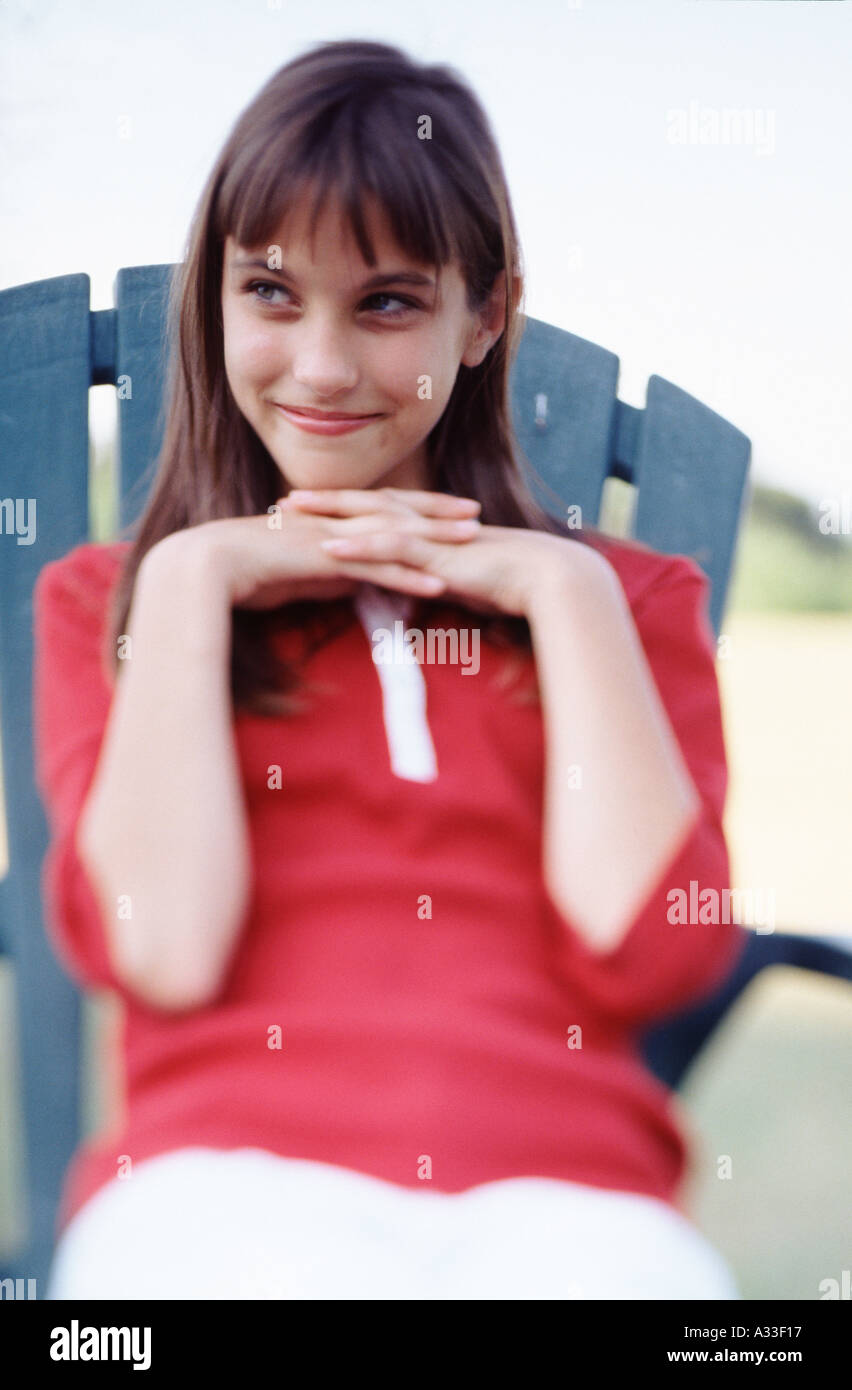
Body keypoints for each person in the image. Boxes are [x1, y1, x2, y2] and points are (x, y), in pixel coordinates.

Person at [34, 39, 744, 1300]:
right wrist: (197, 580)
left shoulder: (632, 604)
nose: (318, 366)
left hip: (569, 1204)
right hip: (215, 1193)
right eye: (269, 292)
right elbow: (167, 948)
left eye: (387, 303)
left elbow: (649, 955)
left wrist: (562, 589)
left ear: (486, 319)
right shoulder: (117, 601)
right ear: (214, 301)